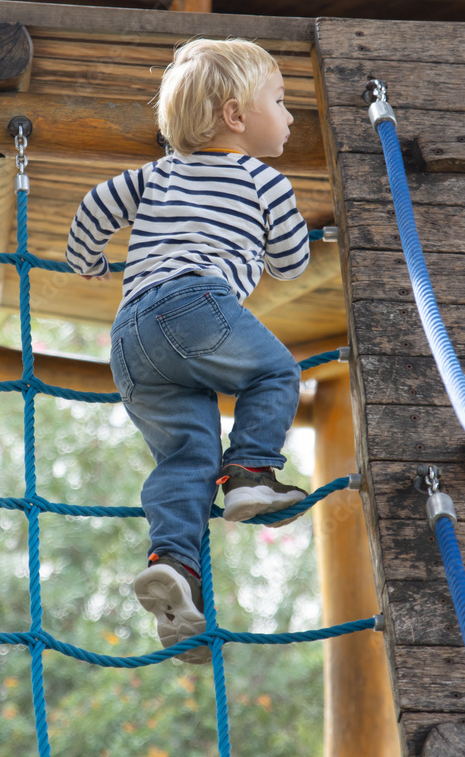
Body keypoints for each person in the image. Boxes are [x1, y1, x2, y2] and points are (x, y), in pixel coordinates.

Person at [66, 38, 310, 663]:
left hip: (130, 343)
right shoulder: (263, 179)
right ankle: (252, 472)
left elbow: (94, 207)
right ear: (236, 116)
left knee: (186, 458)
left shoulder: (156, 174)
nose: (290, 116)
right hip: (195, 308)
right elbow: (292, 262)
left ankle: (175, 567)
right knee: (277, 372)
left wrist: (88, 260)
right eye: (280, 103)